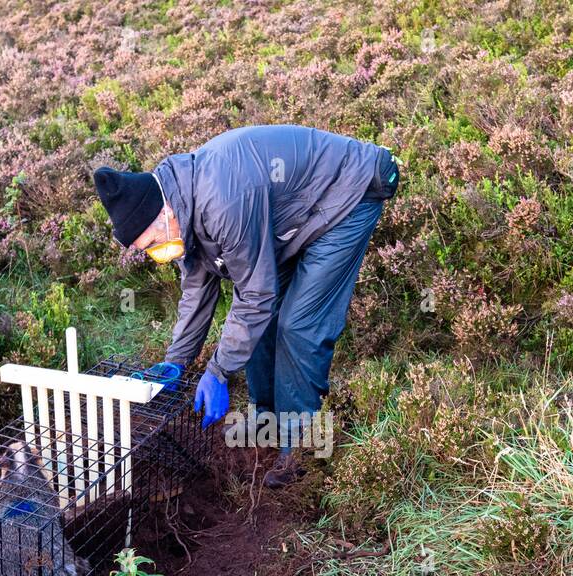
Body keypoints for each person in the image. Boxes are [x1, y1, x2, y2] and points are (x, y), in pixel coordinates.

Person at [92, 124, 398, 488]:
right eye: (147, 249)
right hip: (295, 216)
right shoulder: (179, 209)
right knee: (262, 323)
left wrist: (219, 371)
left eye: (154, 240)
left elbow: (256, 295)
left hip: (348, 193)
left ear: (165, 212)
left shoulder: (221, 201)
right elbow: (196, 289)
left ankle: (300, 448)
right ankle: (267, 419)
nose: (156, 252)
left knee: (297, 326)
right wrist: (175, 362)